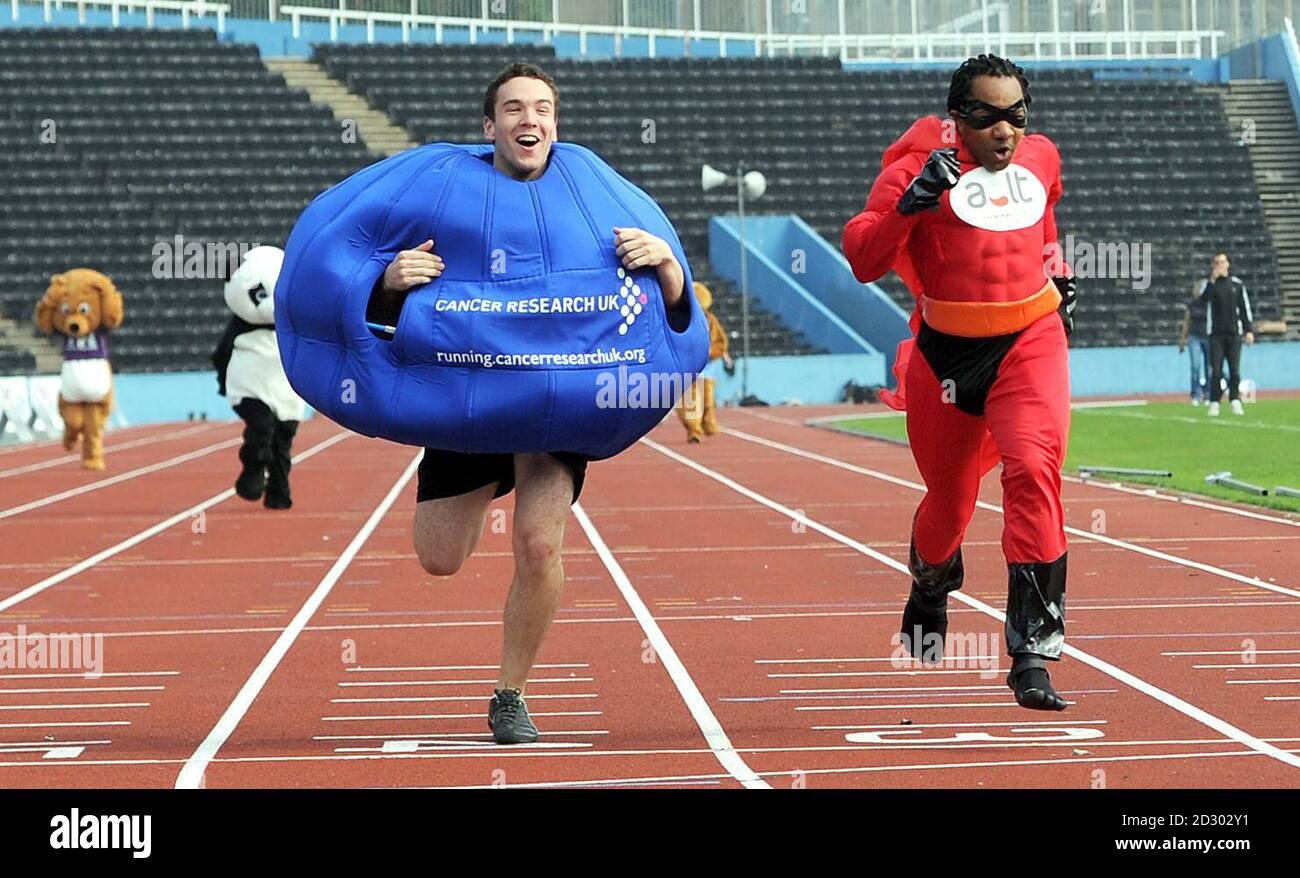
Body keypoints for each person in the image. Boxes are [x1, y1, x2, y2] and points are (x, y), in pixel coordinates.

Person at [369, 63, 690, 744]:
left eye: (542, 108)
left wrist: (667, 266)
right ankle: (493, 476)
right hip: (474, 397)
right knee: (439, 557)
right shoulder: (448, 202)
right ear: (490, 127)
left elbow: (675, 319)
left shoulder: (594, 201)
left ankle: (510, 694)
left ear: (555, 124)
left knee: (540, 544)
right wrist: (390, 284)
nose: (530, 120)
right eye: (513, 109)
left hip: (559, 404)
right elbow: (384, 314)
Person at [842, 54, 1075, 711]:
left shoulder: (1042, 159)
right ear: (957, 117)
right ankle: (929, 581)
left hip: (1030, 339)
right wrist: (912, 204)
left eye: (1016, 114)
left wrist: (1058, 273)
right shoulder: (913, 171)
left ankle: (1032, 653)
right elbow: (863, 257)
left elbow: (1045, 225)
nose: (1004, 129)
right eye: (987, 115)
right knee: (948, 505)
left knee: (1033, 469)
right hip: (946, 354)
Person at [1198, 252, 1254, 416]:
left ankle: (1235, 400)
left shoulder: (1237, 284)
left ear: (1228, 264)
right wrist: (1212, 281)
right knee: (1216, 370)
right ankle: (1215, 401)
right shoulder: (1209, 285)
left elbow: (1244, 309)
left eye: (1223, 262)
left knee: (1235, 370)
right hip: (1215, 334)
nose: (1220, 265)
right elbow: (1202, 301)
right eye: (1217, 263)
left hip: (1234, 334)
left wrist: (1249, 330)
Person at [678, 281, 732, 443]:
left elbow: (721, 342)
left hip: (707, 367)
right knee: (690, 399)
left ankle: (708, 422)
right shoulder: (682, 317)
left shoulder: (711, 320)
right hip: (689, 366)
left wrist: (714, 353)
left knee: (708, 398)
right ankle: (693, 430)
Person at [1178, 279, 1211, 406]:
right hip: (1194, 337)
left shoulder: (1209, 304)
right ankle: (1196, 394)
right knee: (1195, 366)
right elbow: (1187, 322)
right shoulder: (1192, 304)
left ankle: (1208, 394)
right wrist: (1183, 340)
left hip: (1208, 336)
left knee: (1209, 368)